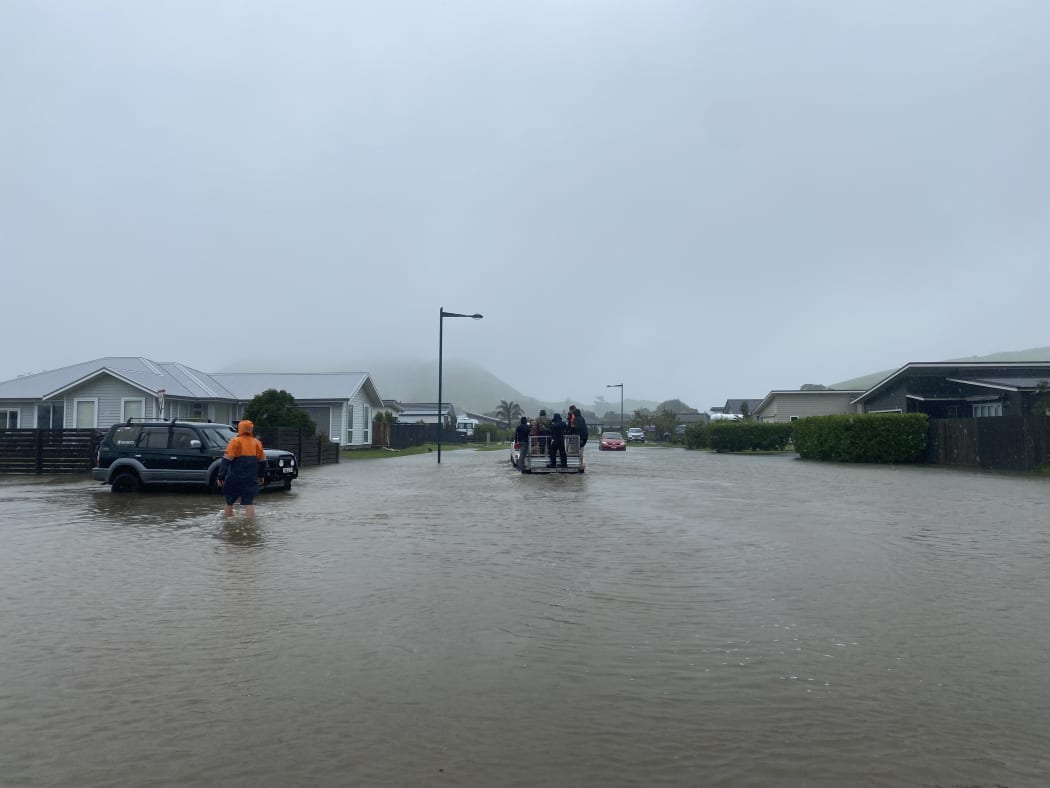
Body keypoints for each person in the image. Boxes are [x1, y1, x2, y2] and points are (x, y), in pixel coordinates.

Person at [217, 419, 266, 518]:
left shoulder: (235, 442)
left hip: (234, 477)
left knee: (229, 502)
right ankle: (250, 525)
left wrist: (220, 477)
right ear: (251, 429)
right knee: (249, 502)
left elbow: (226, 461)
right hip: (250, 478)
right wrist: (261, 476)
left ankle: (228, 524)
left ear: (239, 429)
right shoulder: (257, 443)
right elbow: (262, 462)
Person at [569, 405, 588, 470]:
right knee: (581, 450)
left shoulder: (575, 419)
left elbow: (576, 427)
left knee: (576, 450)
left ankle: (577, 463)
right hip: (585, 436)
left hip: (579, 437)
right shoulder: (582, 418)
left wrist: (573, 432)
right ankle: (581, 463)